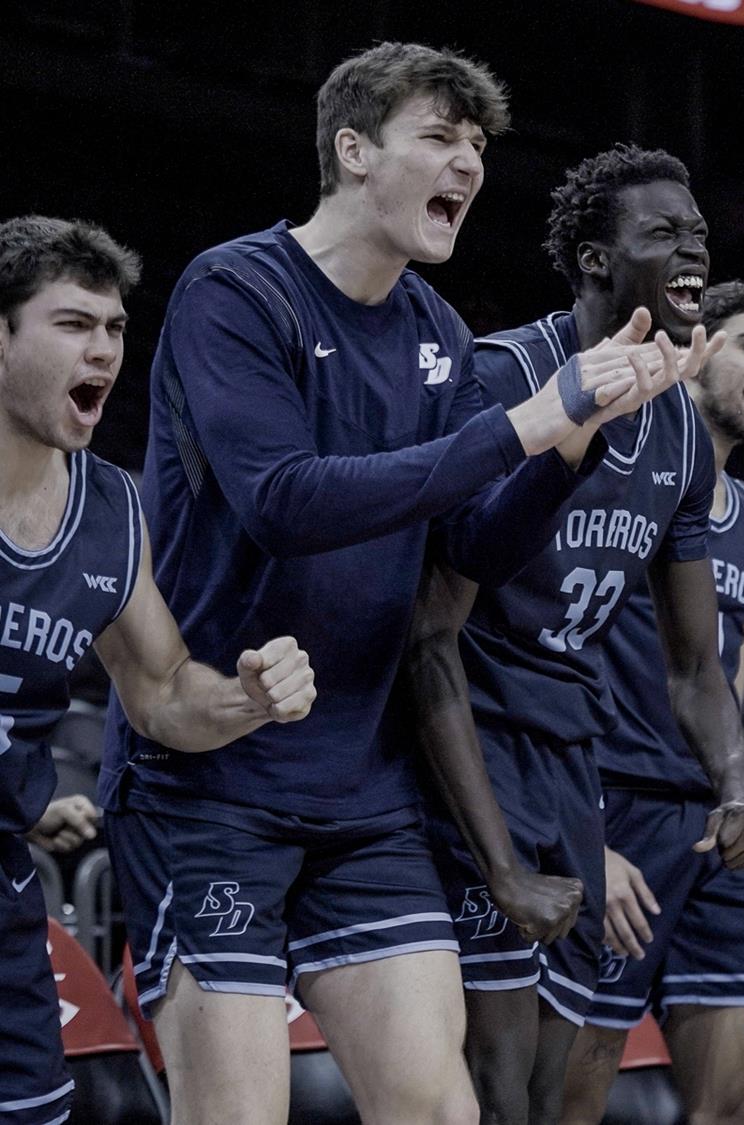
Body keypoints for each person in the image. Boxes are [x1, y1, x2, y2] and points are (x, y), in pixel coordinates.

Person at [100, 43, 666, 1124]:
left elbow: (469, 549)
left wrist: (572, 442)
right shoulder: (237, 289)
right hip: (211, 780)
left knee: (440, 1110)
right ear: (353, 151)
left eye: (478, 145)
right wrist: (527, 421)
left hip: (364, 787)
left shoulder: (436, 331)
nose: (469, 163)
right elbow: (284, 500)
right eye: (439, 137)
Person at [397, 143, 731, 1123]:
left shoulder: (680, 428)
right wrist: (500, 864)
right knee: (493, 1081)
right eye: (663, 233)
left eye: (698, 233)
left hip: (568, 754)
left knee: (560, 1089)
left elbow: (694, 663)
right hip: (473, 740)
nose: (693, 251)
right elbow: (431, 632)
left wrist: (738, 784)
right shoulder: (503, 372)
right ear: (595, 260)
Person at [0, 216, 317, 1125]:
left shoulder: (112, 508)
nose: (102, 348)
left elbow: (162, 691)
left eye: (114, 327)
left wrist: (250, 699)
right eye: (72, 323)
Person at [564, 279, 744, 1125]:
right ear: (692, 352)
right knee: (568, 1096)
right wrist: (576, 834)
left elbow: (724, 680)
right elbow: (547, 646)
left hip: (711, 825)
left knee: (735, 1102)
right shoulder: (612, 469)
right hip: (609, 806)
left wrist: (742, 800)